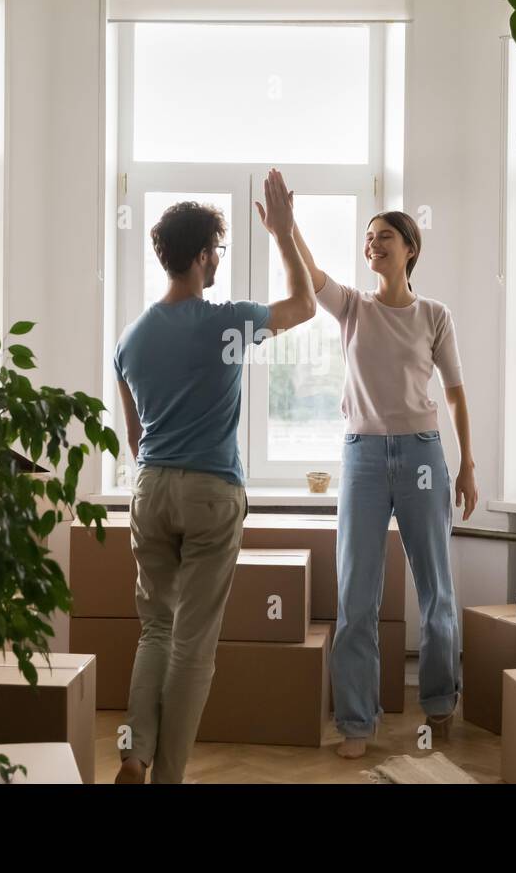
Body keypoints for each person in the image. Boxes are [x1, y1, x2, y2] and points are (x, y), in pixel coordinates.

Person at [113, 170, 314, 784]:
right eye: (218, 250)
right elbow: (304, 304)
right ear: (202, 257)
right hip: (210, 493)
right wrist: (283, 233)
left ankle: (134, 754)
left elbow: (134, 439)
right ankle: (168, 775)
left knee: (155, 628)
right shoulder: (225, 323)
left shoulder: (132, 338)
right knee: (192, 646)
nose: (220, 260)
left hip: (149, 491)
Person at [256, 203, 477, 759]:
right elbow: (309, 273)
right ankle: (358, 722)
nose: (373, 244)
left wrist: (468, 463)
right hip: (362, 457)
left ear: (410, 249)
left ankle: (440, 700)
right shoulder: (352, 307)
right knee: (357, 593)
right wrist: (286, 229)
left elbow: (454, 392)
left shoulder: (435, 315)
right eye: (368, 237)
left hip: (424, 453)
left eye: (384, 237)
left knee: (436, 590)